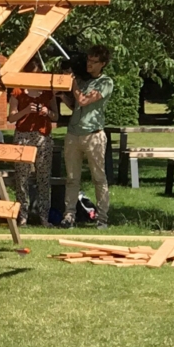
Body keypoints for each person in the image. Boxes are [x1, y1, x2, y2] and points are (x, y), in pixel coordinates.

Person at [60, 46, 113, 228]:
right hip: (74, 134)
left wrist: (73, 83)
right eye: (88, 60)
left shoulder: (105, 82)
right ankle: (69, 216)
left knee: (98, 178)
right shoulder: (82, 81)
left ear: (103, 64)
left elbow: (84, 100)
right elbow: (76, 105)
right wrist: (62, 95)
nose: (89, 64)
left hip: (93, 136)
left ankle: (102, 218)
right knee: (72, 178)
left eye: (94, 62)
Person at [10, 87, 55, 226]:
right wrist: (26, 110)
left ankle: (44, 216)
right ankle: (22, 216)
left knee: (43, 177)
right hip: (23, 136)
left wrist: (47, 112)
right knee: (22, 177)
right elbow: (11, 117)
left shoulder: (47, 93)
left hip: (43, 136)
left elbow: (56, 116)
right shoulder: (18, 92)